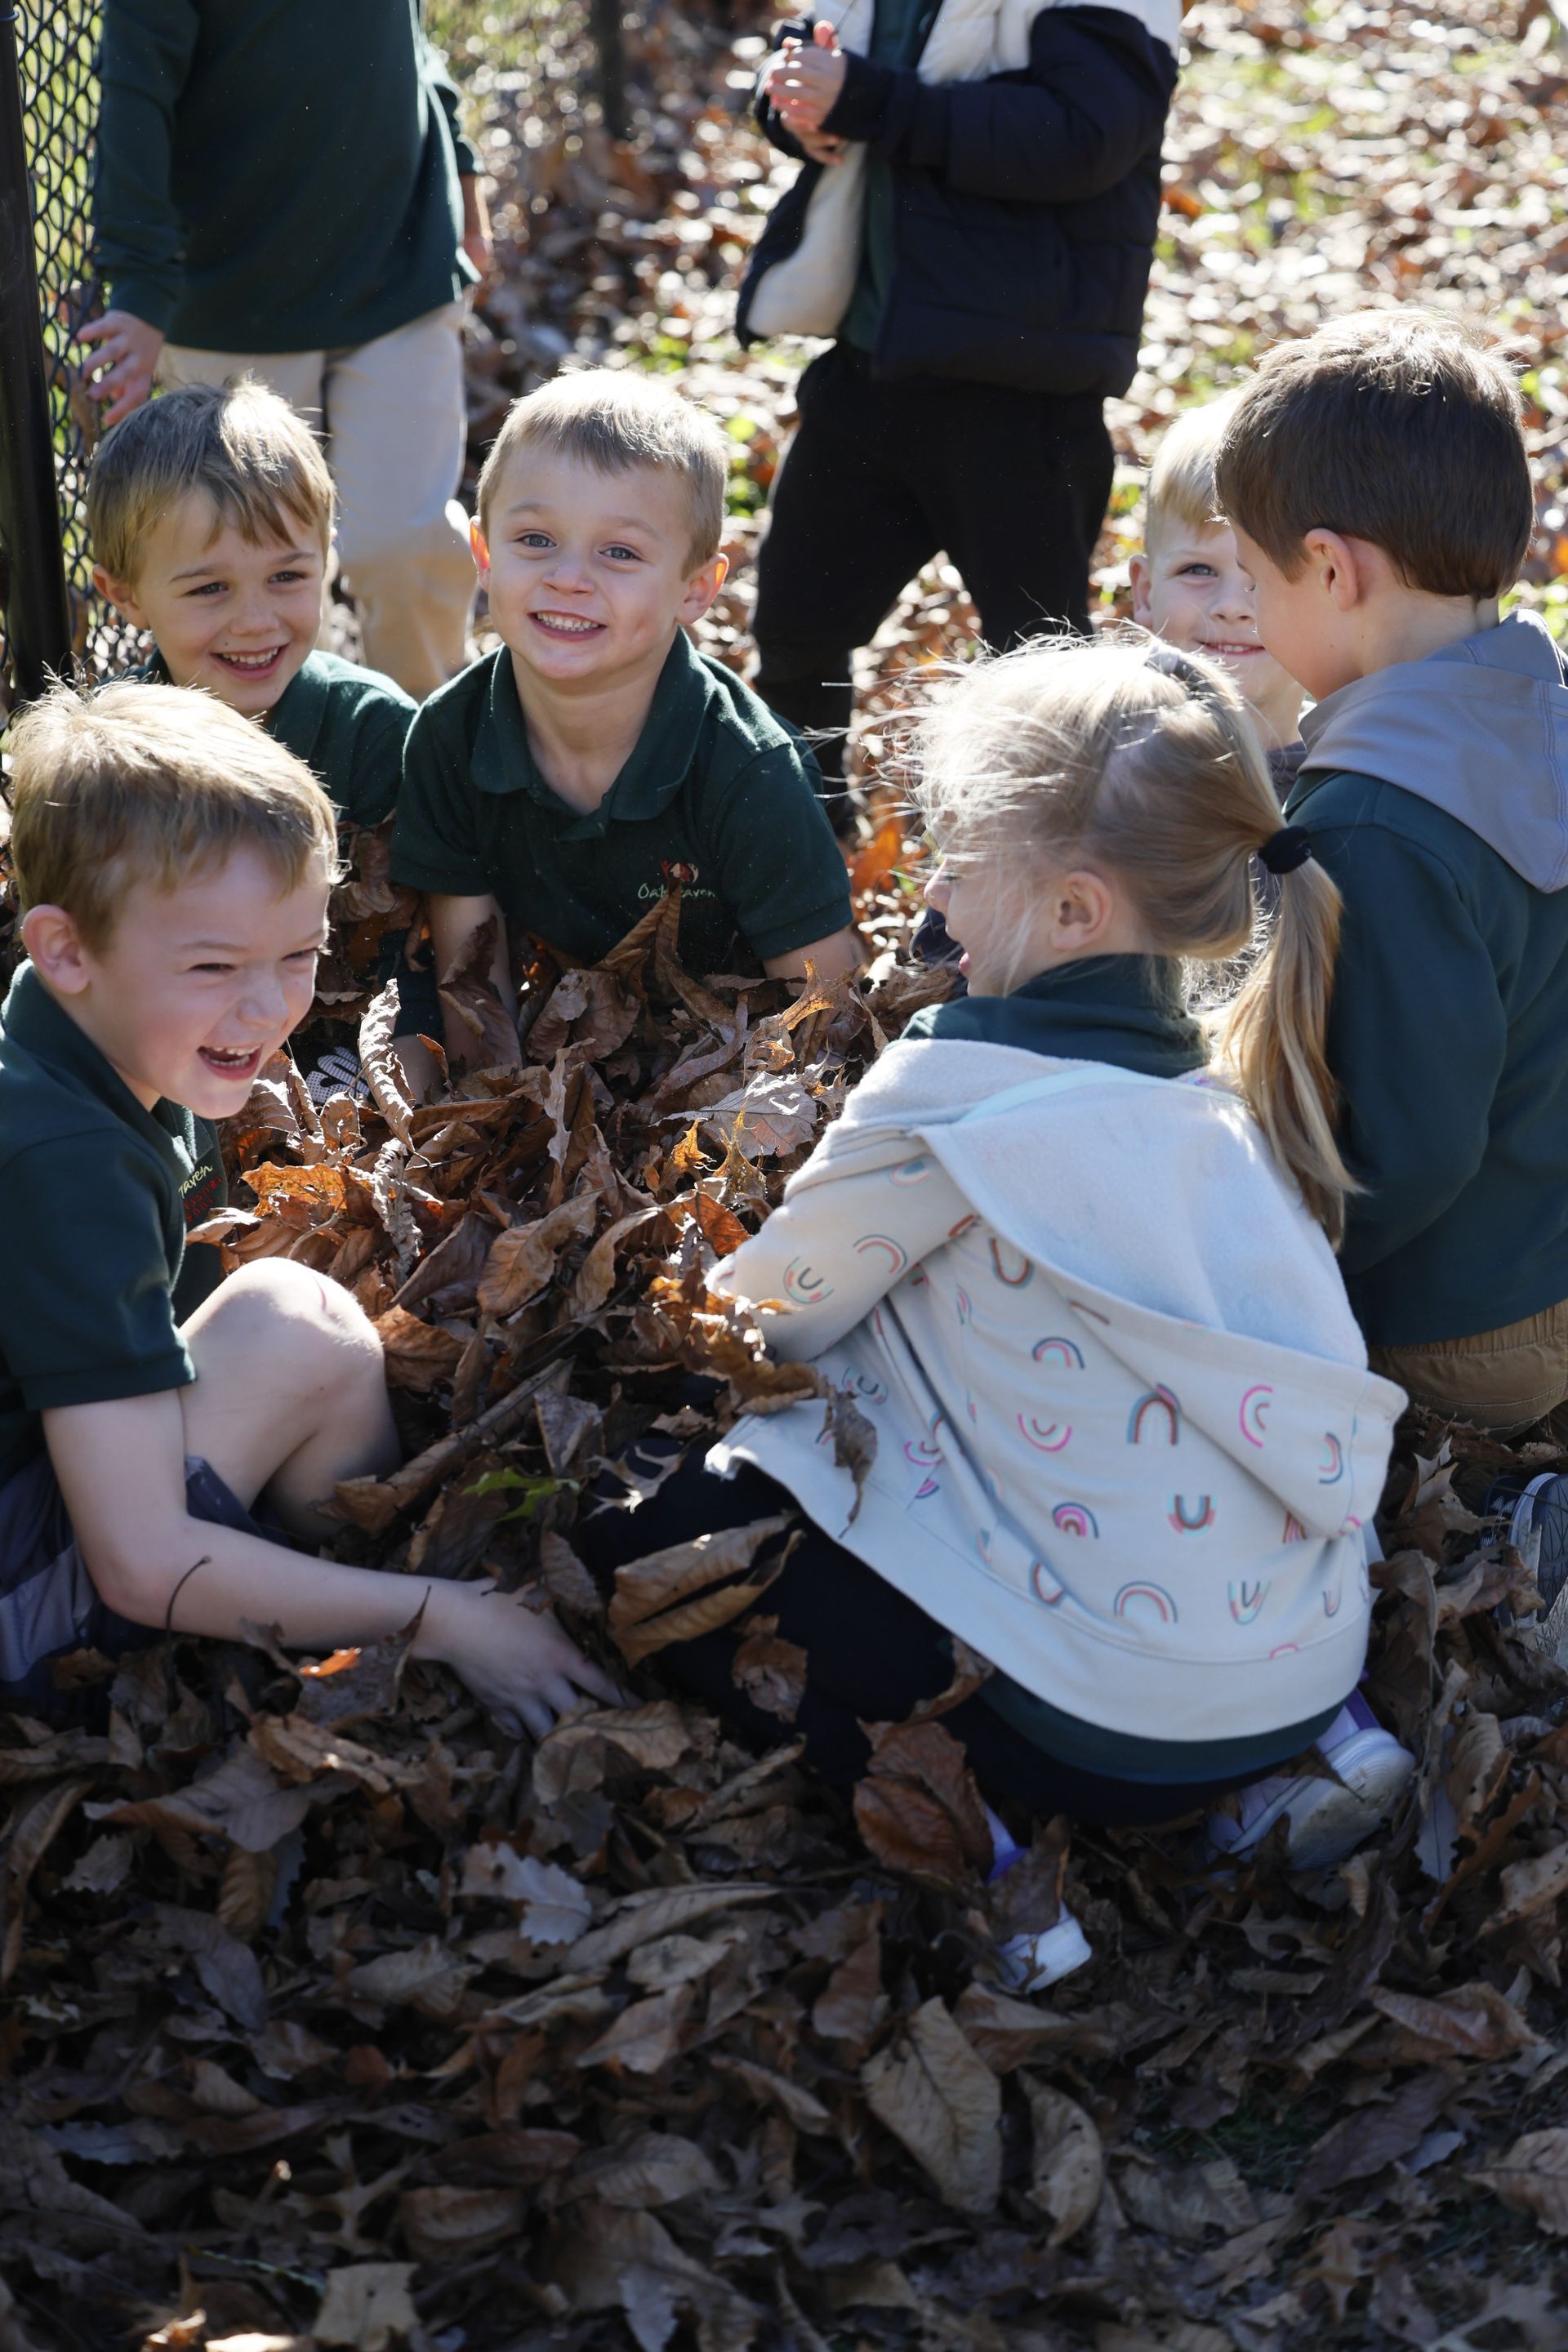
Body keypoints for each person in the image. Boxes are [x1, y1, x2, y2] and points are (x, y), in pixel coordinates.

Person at [580, 635, 1411, 1979]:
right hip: (1296, 1669)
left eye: (961, 861)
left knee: (660, 1540)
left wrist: (650, 1348)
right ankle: (1297, 1763)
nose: (934, 889)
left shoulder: (947, 1098)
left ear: (1075, 909)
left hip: (1082, 1727)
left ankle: (994, 1874)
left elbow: (761, 1324)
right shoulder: (1226, 1106)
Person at [0, 682, 617, 1736]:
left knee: (298, 1328)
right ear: (65, 949)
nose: (268, 1006)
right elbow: (142, 1564)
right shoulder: (64, 1160)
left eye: (298, 954)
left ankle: (338, 1572)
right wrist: (441, 1618)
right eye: (213, 966)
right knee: (296, 1320)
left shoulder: (94, 1043)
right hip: (26, 1630)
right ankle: (381, 1597)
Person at [1214, 313, 1568, 1441]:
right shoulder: (1539, 721)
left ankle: (1513, 1522)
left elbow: (1403, 1151)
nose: (1254, 615)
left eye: (1257, 580)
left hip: (1457, 1326)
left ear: (1329, 567)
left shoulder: (1378, 821)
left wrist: (1257, 1267)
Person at [736, 0, 1182, 823]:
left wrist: (867, 97)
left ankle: (1041, 861)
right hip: (872, 360)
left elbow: (1086, 135)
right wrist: (794, 97)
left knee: (1036, 658)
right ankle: (798, 830)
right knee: (796, 619)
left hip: (1020, 389)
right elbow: (824, 48)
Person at [390, 369, 862, 1075]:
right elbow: (472, 982)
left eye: (620, 552)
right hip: (563, 1051)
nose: (570, 577)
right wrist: (495, 1121)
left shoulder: (746, 770)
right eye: (536, 539)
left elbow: (824, 1015)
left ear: (696, 589)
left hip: (727, 1068)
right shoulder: (450, 735)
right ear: (485, 556)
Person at [82, 0, 485, 702]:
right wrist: (141, 284)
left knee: (403, 543)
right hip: (230, 294)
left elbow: (409, 37)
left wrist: (463, 171)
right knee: (252, 561)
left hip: (400, 256)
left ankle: (420, 752)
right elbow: (133, 85)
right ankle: (284, 769)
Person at [87, 376, 440, 1067]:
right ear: (124, 594)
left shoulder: (375, 731)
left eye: (287, 577)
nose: (256, 621)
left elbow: (417, 962)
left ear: (326, 558)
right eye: (210, 588)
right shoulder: (112, 748)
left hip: (349, 1052)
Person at [1131, 394, 1305, 786]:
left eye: (1265, 577)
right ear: (1144, 591)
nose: (1231, 607)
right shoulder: (1097, 763)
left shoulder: (1354, 786)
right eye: (1198, 570)